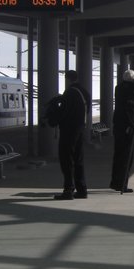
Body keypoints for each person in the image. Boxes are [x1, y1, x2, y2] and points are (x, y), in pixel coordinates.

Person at [55, 70, 91, 200]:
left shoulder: (70, 92)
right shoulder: (84, 91)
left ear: (67, 79)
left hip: (69, 130)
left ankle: (68, 190)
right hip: (80, 129)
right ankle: (82, 190)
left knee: (66, 159)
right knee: (78, 160)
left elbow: (64, 112)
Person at [110, 69, 134, 193]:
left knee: (118, 154)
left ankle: (115, 182)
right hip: (127, 124)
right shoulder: (132, 89)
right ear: (133, 79)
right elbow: (130, 102)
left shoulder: (118, 87)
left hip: (118, 124)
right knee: (127, 156)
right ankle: (123, 184)